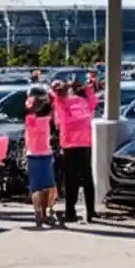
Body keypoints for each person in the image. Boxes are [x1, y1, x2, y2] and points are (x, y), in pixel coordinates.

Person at [52, 73, 101, 223]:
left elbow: (59, 122)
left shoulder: (61, 102)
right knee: (87, 178)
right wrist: (88, 88)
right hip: (83, 144)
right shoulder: (82, 102)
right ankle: (90, 211)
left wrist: (58, 90)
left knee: (71, 180)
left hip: (70, 145)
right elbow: (94, 101)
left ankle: (70, 212)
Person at [24, 85, 59, 228]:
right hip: (43, 154)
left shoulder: (30, 118)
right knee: (47, 186)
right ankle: (44, 212)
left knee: (37, 186)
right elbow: (53, 104)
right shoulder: (44, 119)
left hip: (33, 155)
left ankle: (39, 212)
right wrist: (51, 93)